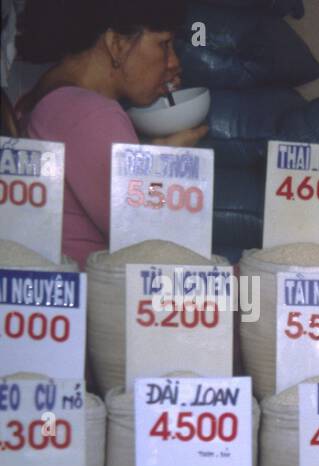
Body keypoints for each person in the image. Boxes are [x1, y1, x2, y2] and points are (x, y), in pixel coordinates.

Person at [14, 0, 206, 266]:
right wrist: (169, 165)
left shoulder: (46, 95)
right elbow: (157, 246)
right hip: (98, 300)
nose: (174, 63)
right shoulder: (92, 114)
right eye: (164, 44)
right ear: (116, 44)